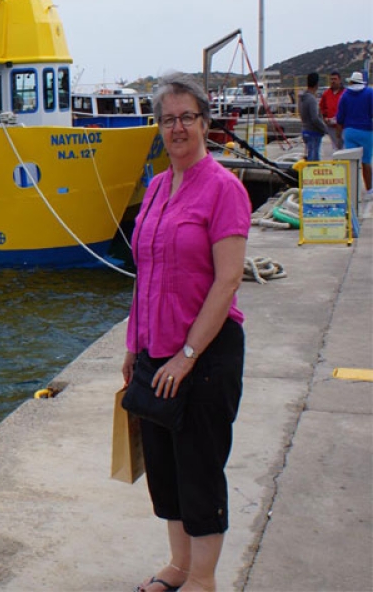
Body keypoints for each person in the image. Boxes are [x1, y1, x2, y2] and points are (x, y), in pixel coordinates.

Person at [122, 73, 251, 592]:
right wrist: (134, 346)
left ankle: (203, 579)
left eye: (186, 118)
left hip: (206, 354)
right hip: (156, 350)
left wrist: (188, 354)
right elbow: (145, 272)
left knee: (199, 469)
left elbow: (229, 279)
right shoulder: (155, 188)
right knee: (166, 470)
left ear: (204, 122)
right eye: (168, 119)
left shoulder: (224, 189)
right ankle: (177, 566)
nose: (177, 128)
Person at [336, 71, 373, 198]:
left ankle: (352, 192)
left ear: (351, 82)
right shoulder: (370, 93)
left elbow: (340, 117)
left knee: (351, 162)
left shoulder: (345, 95)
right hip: (366, 131)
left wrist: (338, 133)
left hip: (350, 131)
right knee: (366, 161)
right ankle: (369, 190)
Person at [298, 72, 331, 161]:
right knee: (314, 160)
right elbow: (315, 118)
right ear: (317, 84)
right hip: (313, 133)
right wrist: (325, 129)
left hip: (305, 130)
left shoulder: (302, 98)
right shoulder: (311, 99)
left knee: (310, 157)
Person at [319, 71, 345, 150]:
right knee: (335, 148)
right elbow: (321, 107)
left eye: (335, 79)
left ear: (339, 80)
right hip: (331, 126)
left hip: (343, 127)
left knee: (344, 148)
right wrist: (325, 118)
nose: (333, 81)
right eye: (331, 79)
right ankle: (336, 162)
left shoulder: (345, 93)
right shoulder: (326, 94)